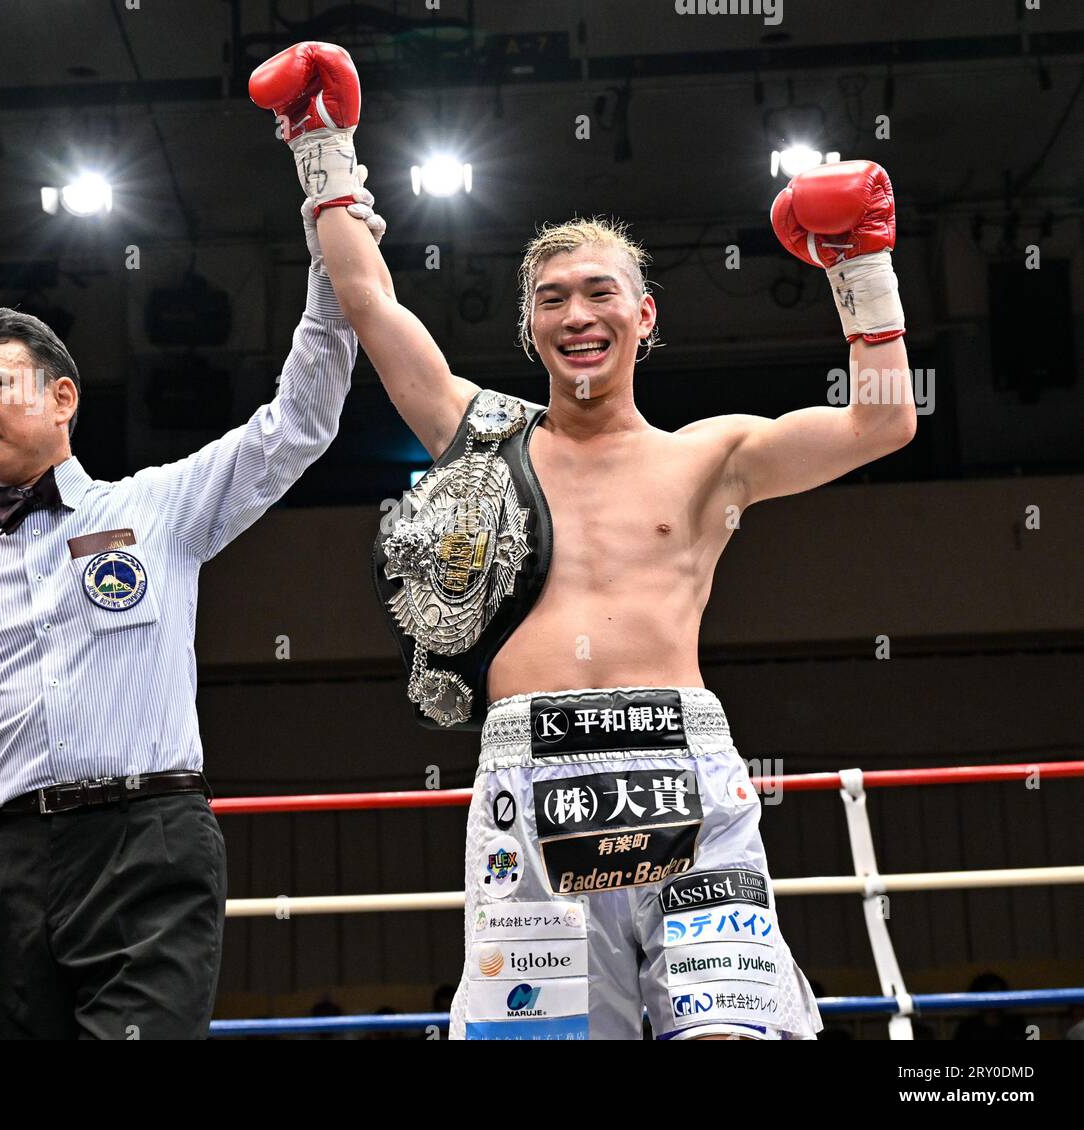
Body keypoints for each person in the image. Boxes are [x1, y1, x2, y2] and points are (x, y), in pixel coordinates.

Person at [251, 42, 916, 1039]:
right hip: (531, 773)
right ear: (529, 327)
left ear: (643, 316)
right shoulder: (478, 435)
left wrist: (860, 266)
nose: (577, 313)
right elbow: (368, 301)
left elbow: (881, 422)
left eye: (599, 292)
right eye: (552, 298)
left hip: (682, 758)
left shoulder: (712, 456)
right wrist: (321, 144)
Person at [0, 228, 385, 1036]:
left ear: (63, 398)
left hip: (149, 844)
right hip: (8, 865)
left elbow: (299, 424)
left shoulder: (157, 508)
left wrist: (329, 264)